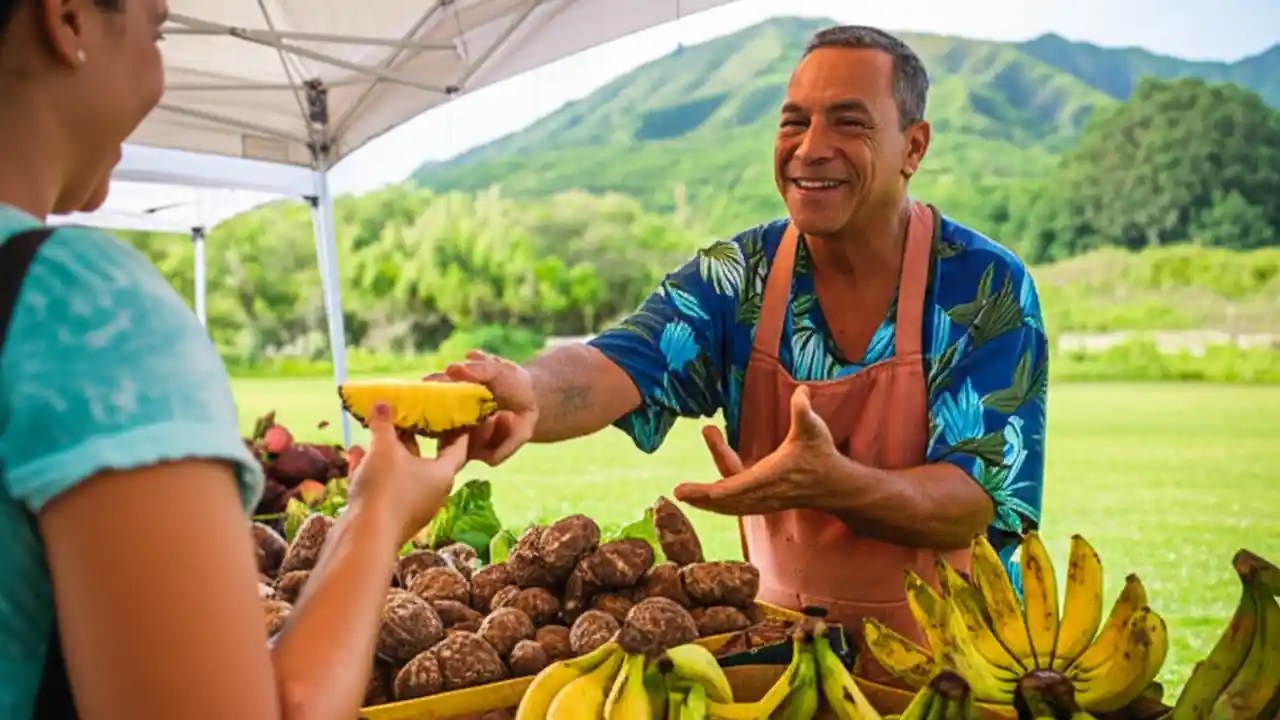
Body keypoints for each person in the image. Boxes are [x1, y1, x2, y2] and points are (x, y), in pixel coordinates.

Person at [434, 25, 1049, 683]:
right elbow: (618, 362)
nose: (810, 149)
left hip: (958, 667)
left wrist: (835, 485)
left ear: (913, 147)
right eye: (794, 123)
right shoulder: (738, 275)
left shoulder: (983, 285)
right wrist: (528, 389)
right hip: (782, 654)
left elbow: (974, 501)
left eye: (849, 124)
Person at [0, 1, 471, 717]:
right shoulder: (86, 312)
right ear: (67, 20)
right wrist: (378, 514)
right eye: (157, 31)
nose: (162, 76)